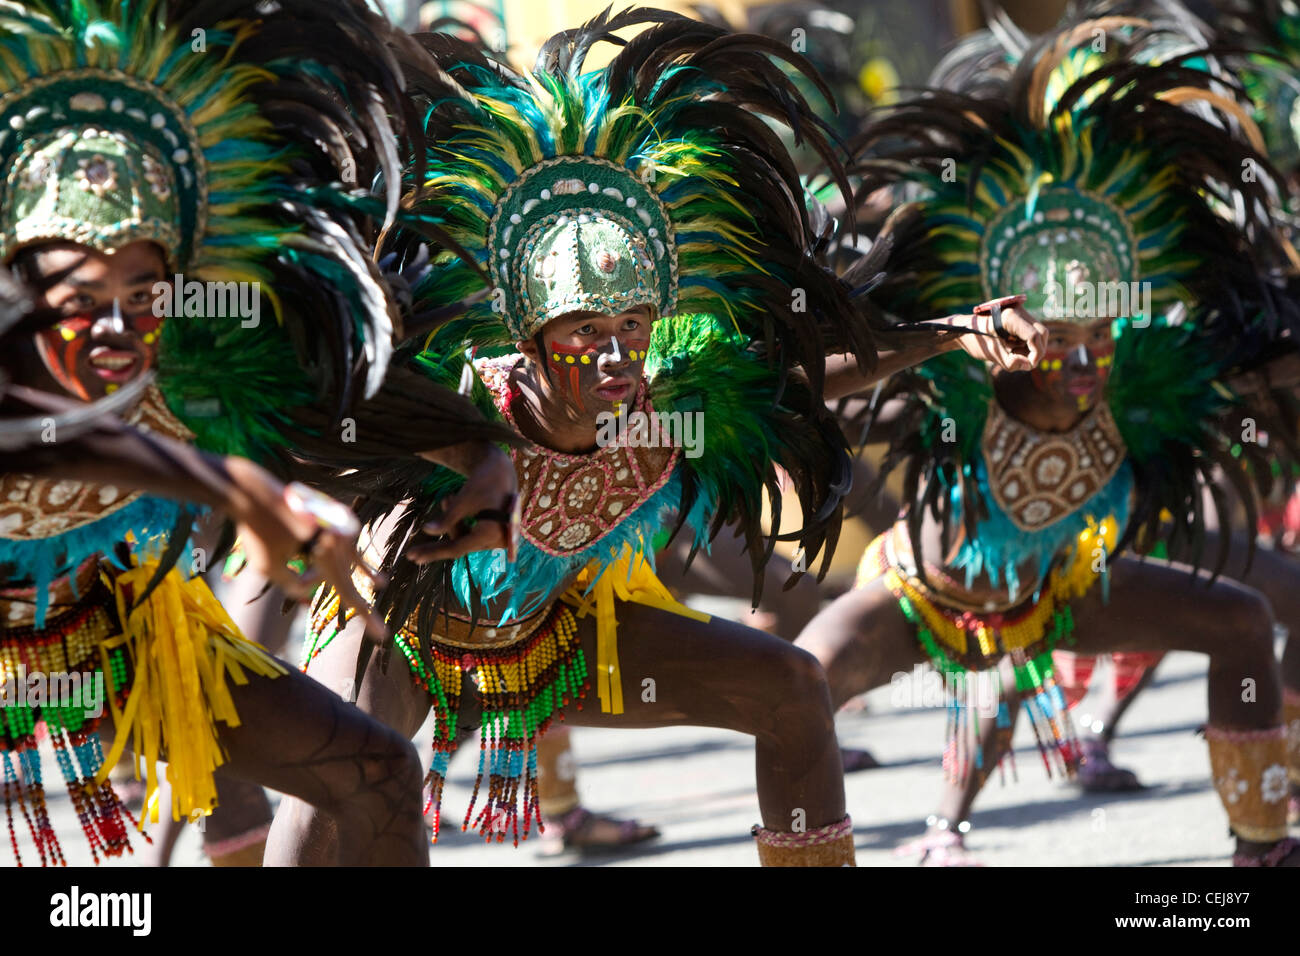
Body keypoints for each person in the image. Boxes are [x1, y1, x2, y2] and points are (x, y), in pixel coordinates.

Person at [268, 9, 1043, 868]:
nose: (616, 352)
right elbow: (318, 418)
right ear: (527, 336)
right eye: (585, 329)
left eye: (634, 325)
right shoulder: (462, 404)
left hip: (554, 637)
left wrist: (947, 332)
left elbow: (790, 383)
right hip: (402, 636)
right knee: (345, 773)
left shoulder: (656, 415)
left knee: (790, 687)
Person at [0, 0, 514, 867]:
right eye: (81, 296)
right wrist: (242, 490)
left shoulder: (192, 356)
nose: (120, 323)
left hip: (111, 623)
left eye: (145, 288)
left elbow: (356, 400)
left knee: (376, 769)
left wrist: (484, 459)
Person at [794, 14, 1300, 866]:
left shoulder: (1144, 383)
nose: (1082, 360)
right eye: (1057, 340)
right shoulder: (954, 379)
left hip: (1060, 584)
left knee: (1242, 618)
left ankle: (1263, 847)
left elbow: (1262, 367)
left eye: (1098, 335)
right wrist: (947, 333)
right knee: (797, 680)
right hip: (924, 598)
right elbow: (818, 375)